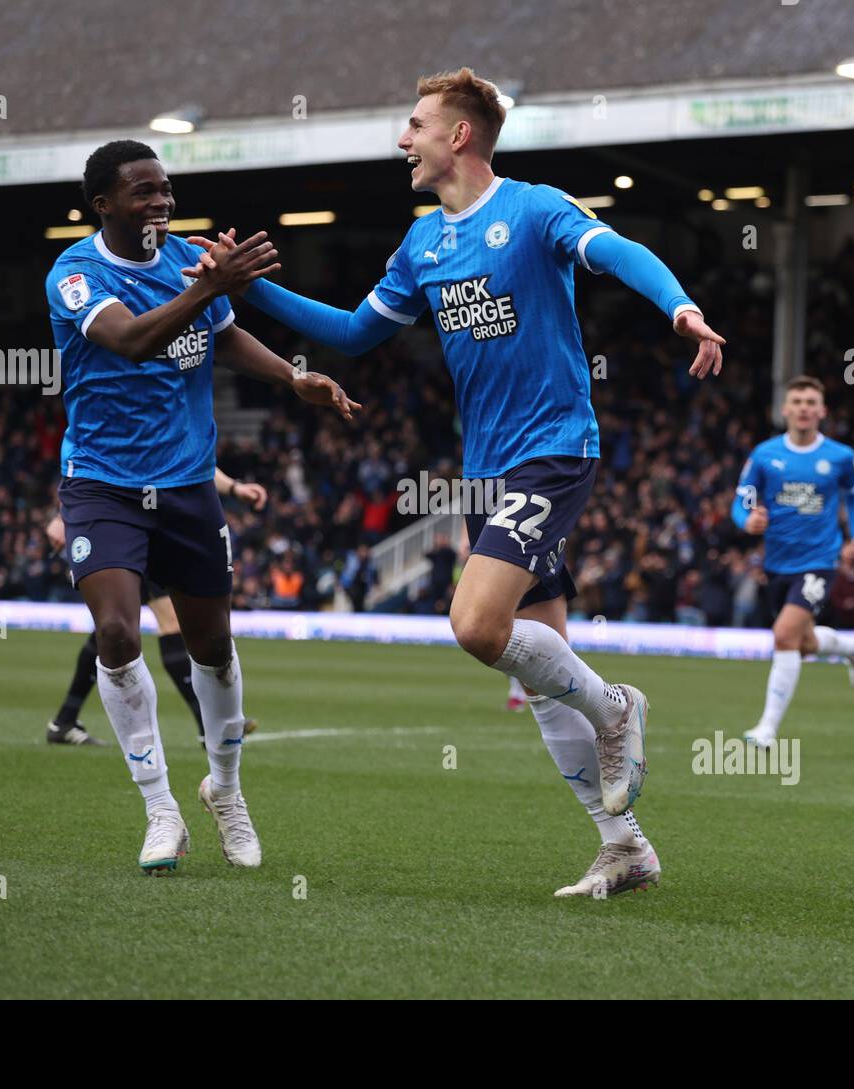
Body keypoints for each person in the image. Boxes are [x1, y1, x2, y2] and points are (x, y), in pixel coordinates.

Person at [187, 68, 725, 897]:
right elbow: (355, 333)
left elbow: (617, 251)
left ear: (459, 136)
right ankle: (626, 847)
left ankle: (617, 707)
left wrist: (679, 306)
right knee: (541, 674)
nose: (404, 140)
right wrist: (248, 287)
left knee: (475, 625)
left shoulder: (533, 208)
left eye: (415, 125)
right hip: (488, 472)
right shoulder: (421, 243)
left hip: (553, 449)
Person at [46, 138, 359, 874]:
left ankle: (225, 790)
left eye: (165, 188)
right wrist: (208, 288)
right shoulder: (75, 273)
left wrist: (294, 377)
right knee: (118, 630)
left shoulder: (187, 258)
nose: (161, 201)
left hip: (186, 483)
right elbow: (128, 340)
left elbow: (225, 334)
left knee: (211, 649)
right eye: (143, 191)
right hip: (103, 482)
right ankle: (160, 809)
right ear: (103, 205)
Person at [43, 467, 268, 746]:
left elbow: (195, 458)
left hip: (158, 526)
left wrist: (235, 487)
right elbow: (85, 451)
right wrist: (63, 514)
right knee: (141, 624)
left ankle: (64, 720)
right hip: (124, 524)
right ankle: (207, 725)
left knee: (115, 628)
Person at [732, 375, 854, 749]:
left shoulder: (840, 457)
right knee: (803, 643)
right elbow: (742, 497)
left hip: (820, 561)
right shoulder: (764, 455)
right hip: (777, 564)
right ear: (785, 409)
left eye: (811, 401)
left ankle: (767, 728)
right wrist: (748, 519)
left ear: (822, 410)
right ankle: (852, 651)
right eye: (797, 401)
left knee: (783, 635)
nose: (804, 408)